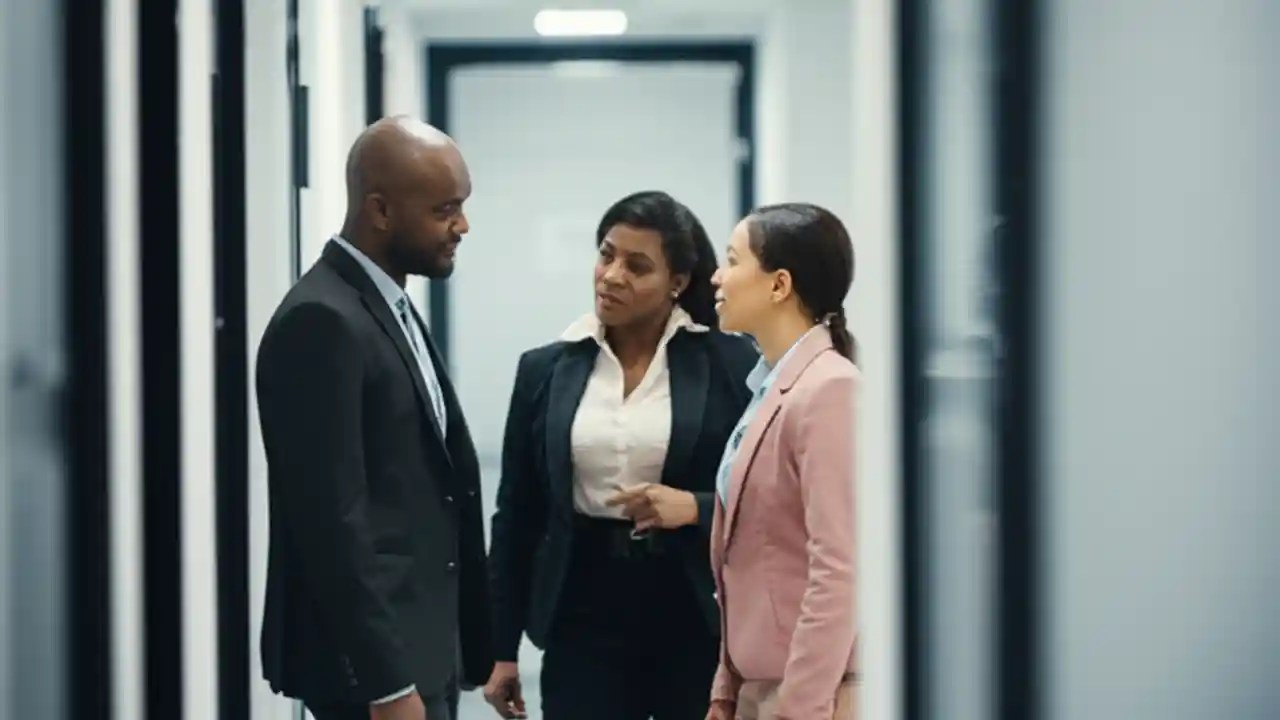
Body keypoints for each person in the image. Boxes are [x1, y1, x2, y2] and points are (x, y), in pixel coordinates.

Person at [483, 191, 758, 719]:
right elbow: (517, 516)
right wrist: (500, 648)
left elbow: (763, 492)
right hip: (582, 609)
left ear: (677, 283)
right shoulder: (545, 370)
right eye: (606, 254)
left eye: (637, 266)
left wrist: (695, 506)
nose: (611, 275)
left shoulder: (729, 361)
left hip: (693, 610)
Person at [255, 116, 493, 720]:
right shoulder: (322, 321)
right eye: (445, 210)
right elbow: (330, 522)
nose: (462, 226)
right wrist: (386, 685)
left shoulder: (387, 304)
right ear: (381, 211)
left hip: (422, 651)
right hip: (373, 676)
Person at [705, 203, 860, 720]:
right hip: (762, 689)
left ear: (779, 285)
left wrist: (798, 708)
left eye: (732, 260)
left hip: (812, 697)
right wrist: (726, 689)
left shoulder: (829, 387)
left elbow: (837, 571)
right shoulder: (769, 386)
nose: (716, 276)